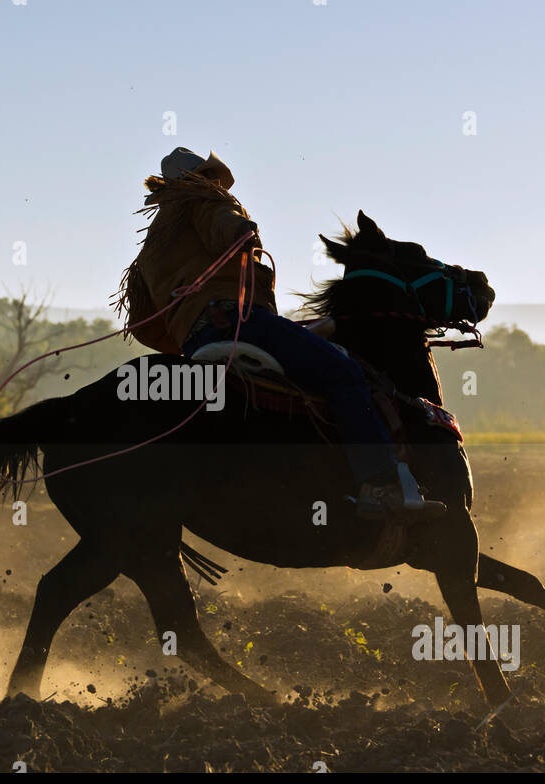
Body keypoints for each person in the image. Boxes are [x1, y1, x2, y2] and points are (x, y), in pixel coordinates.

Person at [116, 147, 442, 518]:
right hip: (241, 324)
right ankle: (379, 487)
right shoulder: (204, 196)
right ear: (200, 177)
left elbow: (143, 320)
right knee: (343, 371)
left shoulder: (152, 245)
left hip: (196, 342)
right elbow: (226, 225)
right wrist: (242, 231)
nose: (215, 183)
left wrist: (187, 337)